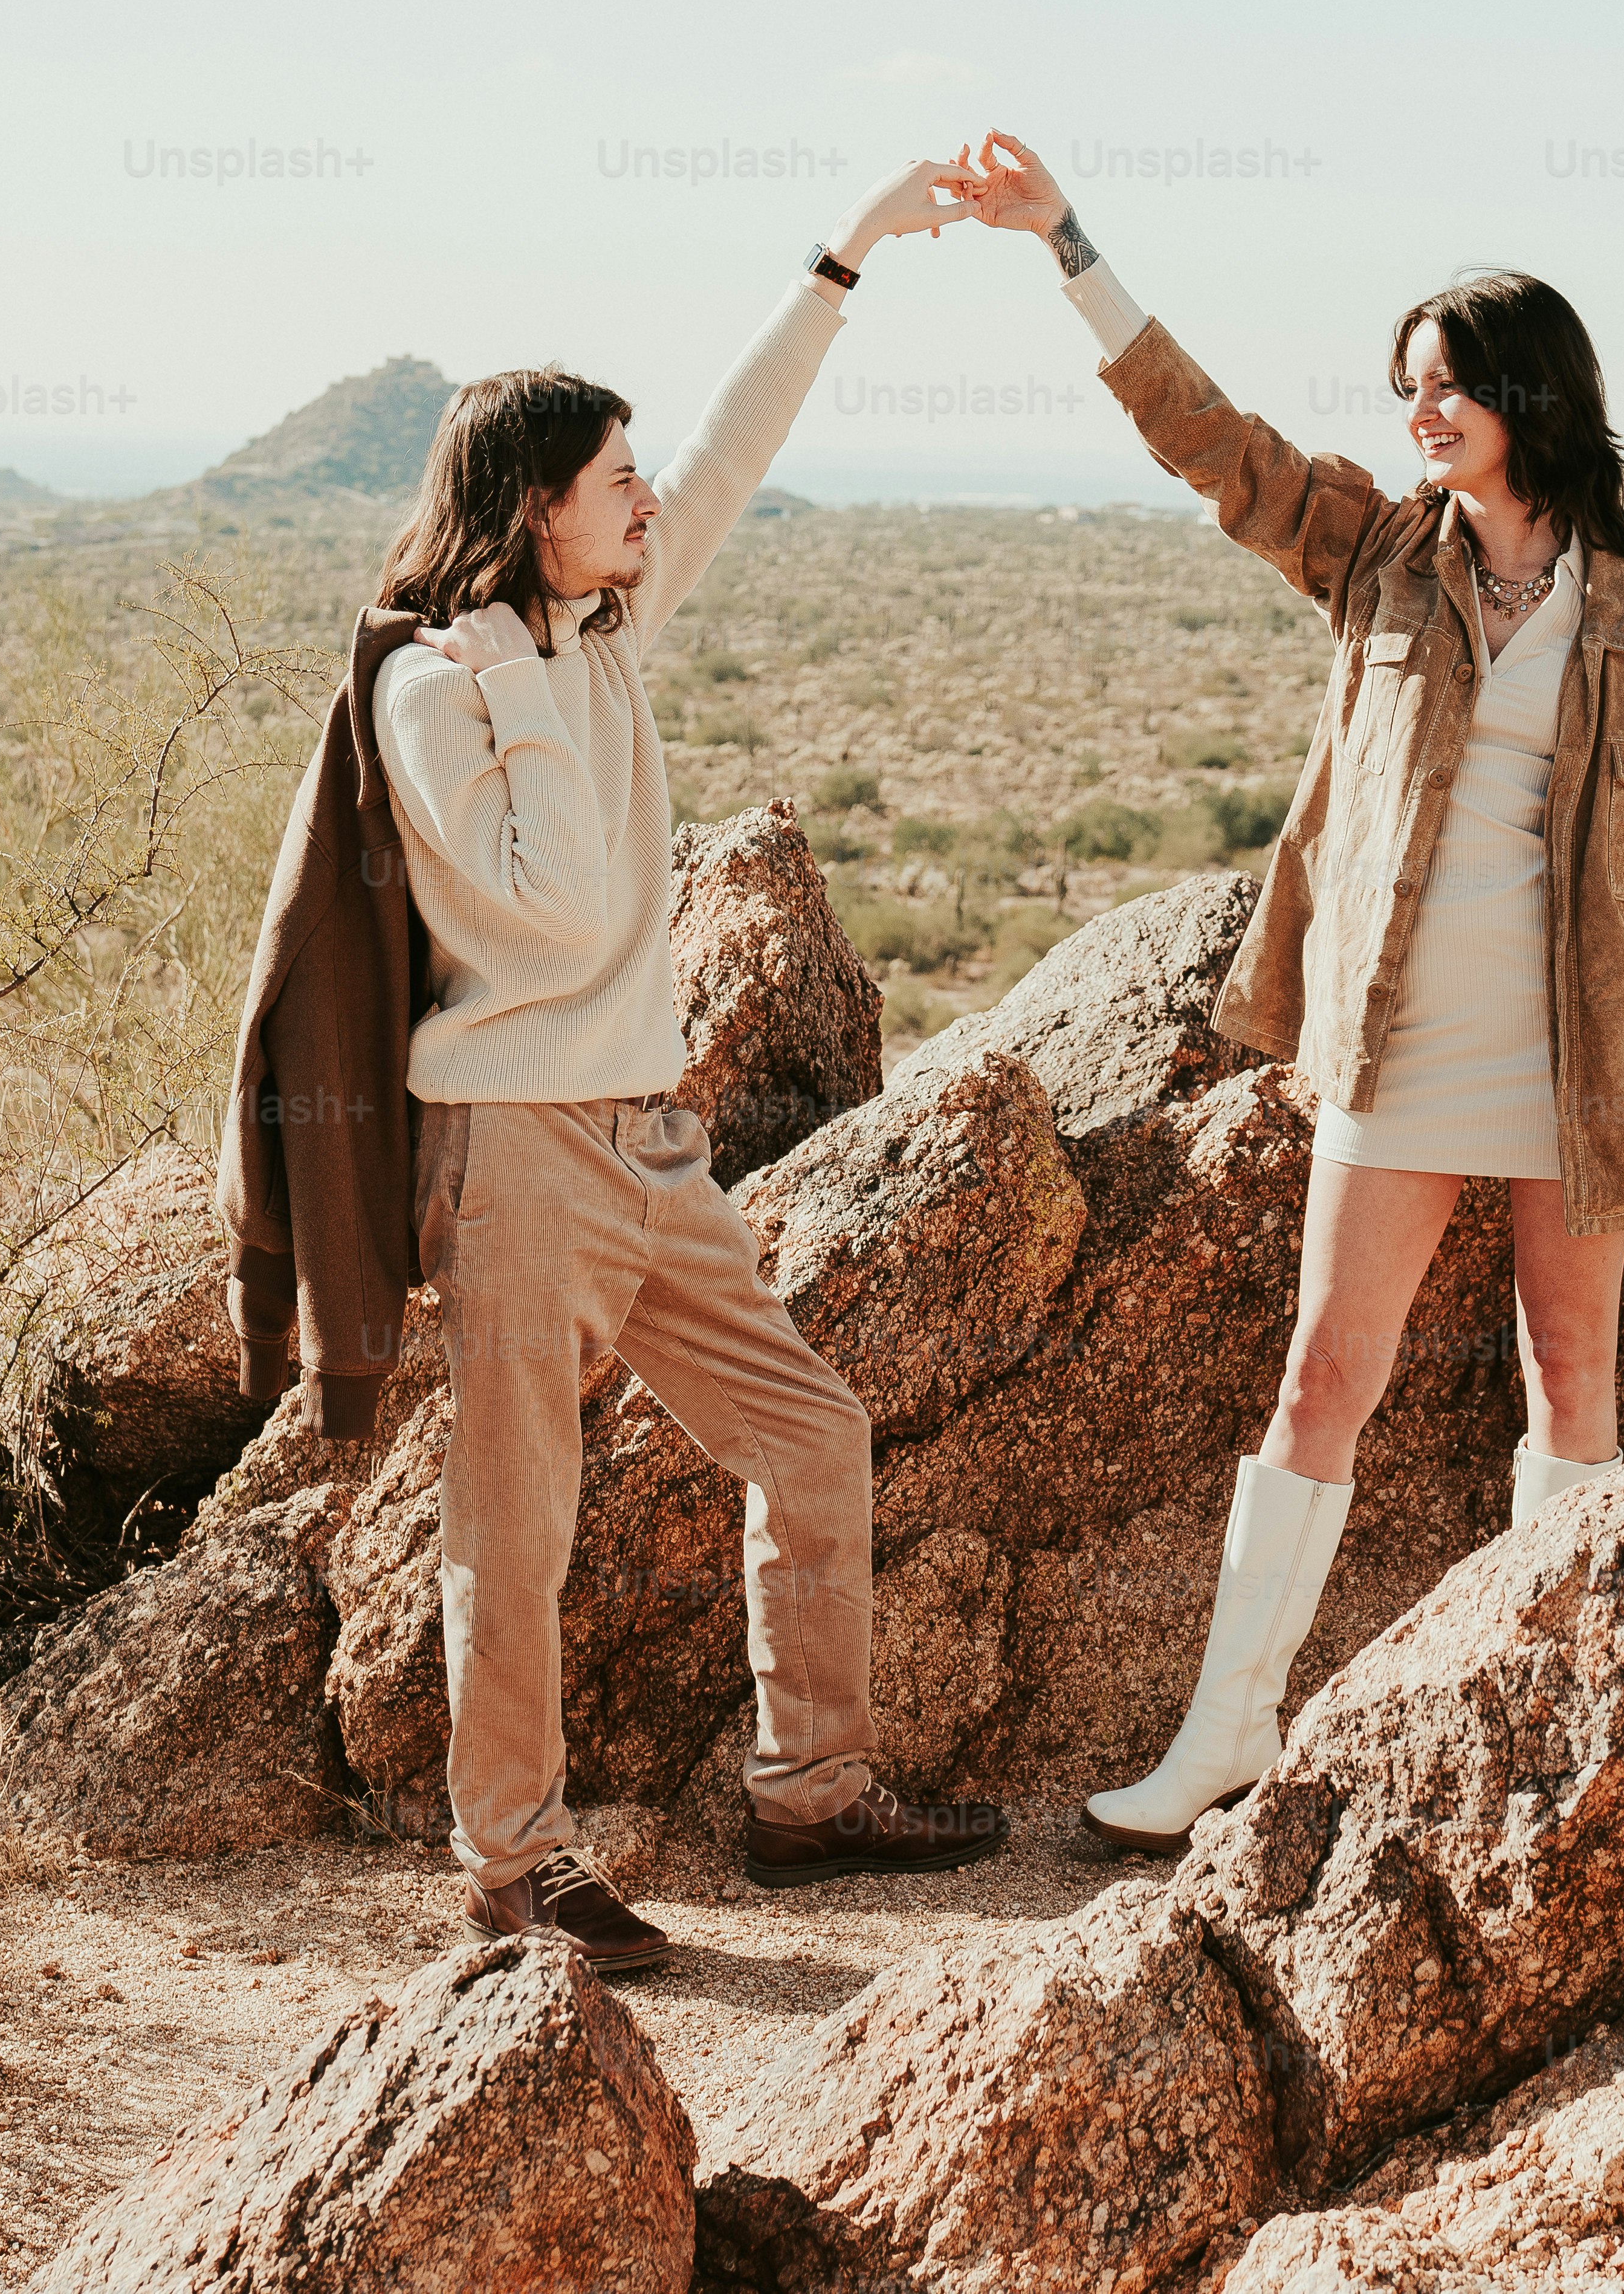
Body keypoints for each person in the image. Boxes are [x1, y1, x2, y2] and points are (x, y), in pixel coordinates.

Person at [955, 134, 1624, 1855]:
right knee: (1322, 1376)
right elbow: (1215, 447)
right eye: (1404, 385)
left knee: (1576, 1387)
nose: (1419, 411)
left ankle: (1555, 1753)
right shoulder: (1377, 559)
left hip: (1586, 1073)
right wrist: (1069, 243)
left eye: (1447, 385)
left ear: (1527, 395)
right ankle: (1224, 1737)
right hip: (1401, 1046)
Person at [366, 155, 1014, 1968]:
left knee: (810, 1433)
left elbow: (735, 443)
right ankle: (515, 1857)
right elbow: (558, 916)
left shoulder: (596, 628)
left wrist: (853, 251)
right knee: (519, 1523)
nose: (654, 499)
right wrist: (509, 670)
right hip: (513, 1150)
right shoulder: (439, 684)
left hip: (649, 1149)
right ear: (533, 509)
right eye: (615, 481)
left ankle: (812, 1792)